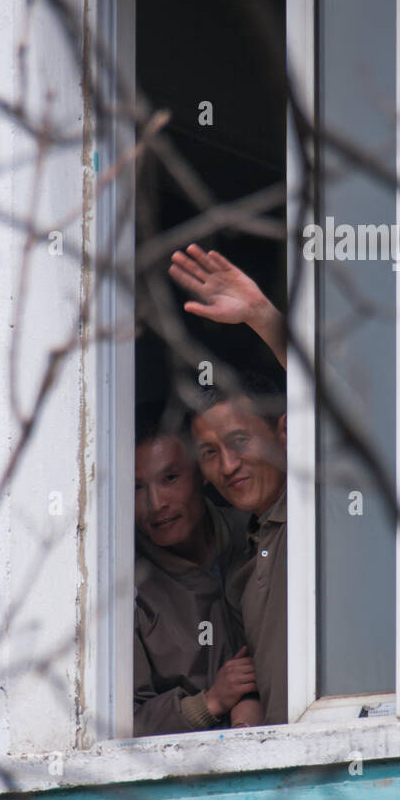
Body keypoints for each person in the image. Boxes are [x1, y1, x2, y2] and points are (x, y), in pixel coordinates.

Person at [168, 246, 289, 724]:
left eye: (240, 440)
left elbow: (337, 398)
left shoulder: (329, 514)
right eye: (210, 453)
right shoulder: (241, 568)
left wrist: (261, 315)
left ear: (282, 433)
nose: (230, 465)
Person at [133, 409, 263, 735]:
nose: (156, 502)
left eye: (170, 479)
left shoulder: (256, 534)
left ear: (202, 472)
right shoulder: (124, 587)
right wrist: (210, 702)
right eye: (136, 488)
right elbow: (115, 728)